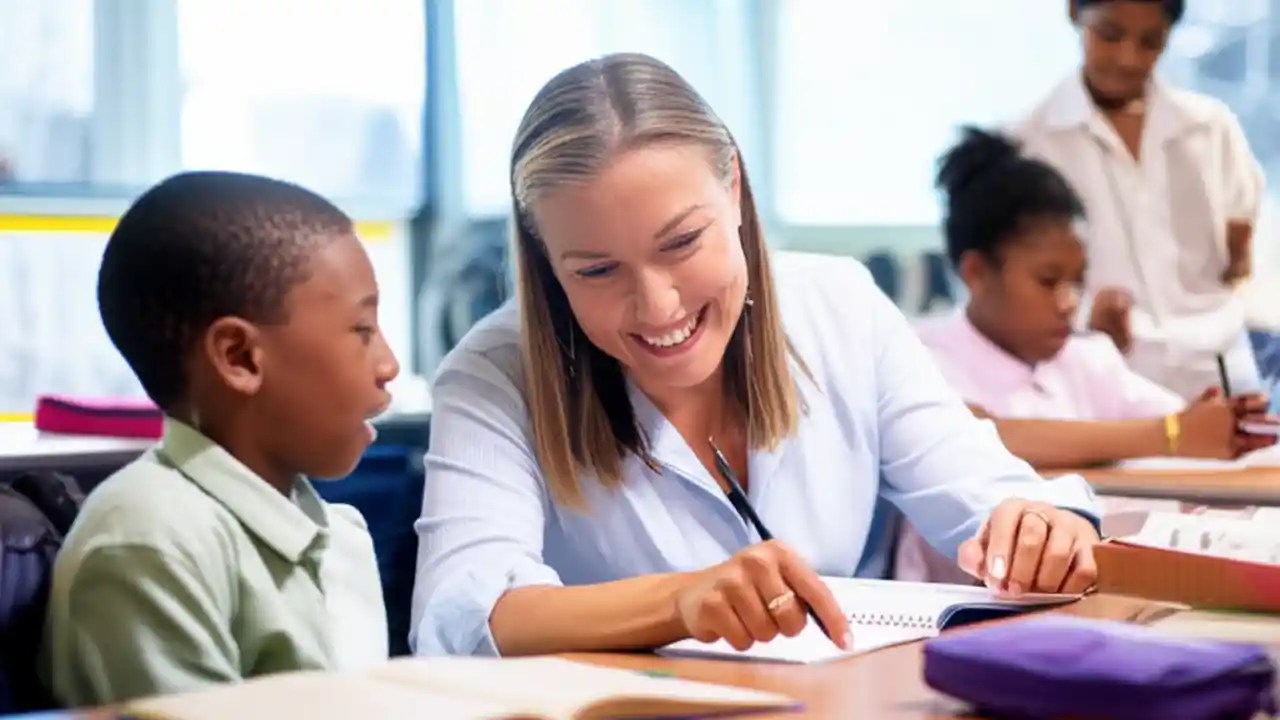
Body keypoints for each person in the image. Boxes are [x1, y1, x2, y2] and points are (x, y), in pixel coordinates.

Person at [410, 53, 1104, 659]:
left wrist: (1042, 526)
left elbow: (990, 497)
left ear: (733, 188)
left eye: (681, 243)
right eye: (596, 271)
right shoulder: (494, 374)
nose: (658, 307)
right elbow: (460, 613)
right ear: (545, 263)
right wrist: (682, 602)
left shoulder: (841, 308)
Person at [42, 172, 399, 705]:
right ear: (238, 357)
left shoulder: (338, 534)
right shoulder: (150, 540)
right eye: (362, 331)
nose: (388, 364)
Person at [894, 127, 1276, 584]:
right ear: (975, 271)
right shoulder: (921, 353)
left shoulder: (1085, 358)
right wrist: (1169, 435)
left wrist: (1218, 428)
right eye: (1048, 280)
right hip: (951, 606)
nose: (1069, 301)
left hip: (1078, 593)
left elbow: (1189, 431)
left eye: (1077, 281)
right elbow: (980, 435)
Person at [1014, 0, 1267, 401]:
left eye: (1151, 41)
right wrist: (1085, 314)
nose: (1128, 58)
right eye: (1110, 35)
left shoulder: (1210, 129)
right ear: (1074, 13)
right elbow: (1015, 283)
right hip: (1102, 373)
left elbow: (1238, 259)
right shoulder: (1028, 144)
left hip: (1217, 370)